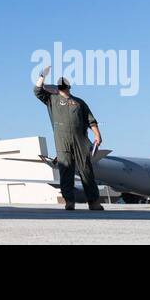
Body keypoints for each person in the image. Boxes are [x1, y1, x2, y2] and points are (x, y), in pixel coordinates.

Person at [34, 65, 104, 210]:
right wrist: (42, 76)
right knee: (66, 171)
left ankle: (94, 201)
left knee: (86, 171)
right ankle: (69, 201)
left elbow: (91, 120)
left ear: (68, 87)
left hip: (81, 141)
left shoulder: (79, 102)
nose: (63, 89)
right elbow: (37, 91)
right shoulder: (52, 100)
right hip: (62, 141)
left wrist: (97, 135)